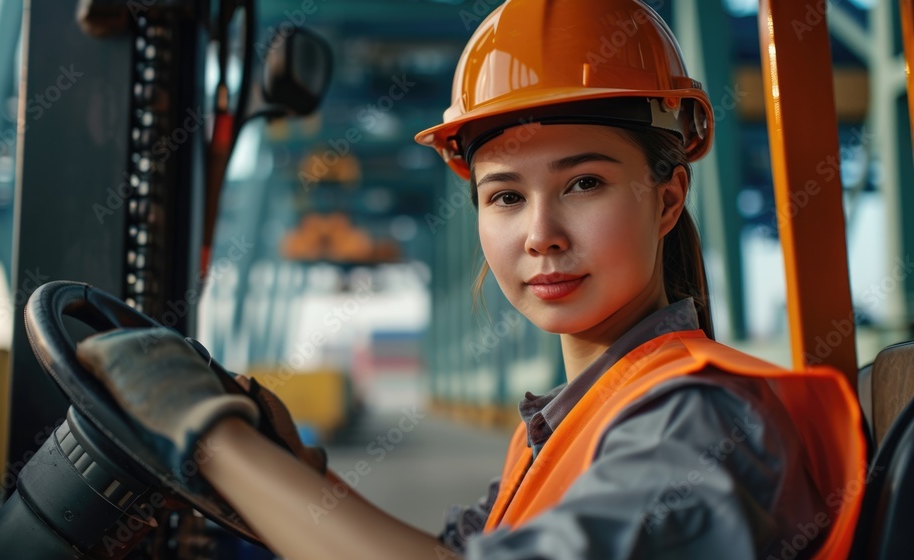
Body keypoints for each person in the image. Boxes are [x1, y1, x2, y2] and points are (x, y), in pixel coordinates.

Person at [76, 0, 866, 558]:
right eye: (505, 196)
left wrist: (212, 442)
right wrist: (288, 472)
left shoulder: (701, 426)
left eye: (584, 183)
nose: (542, 234)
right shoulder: (573, 428)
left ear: (666, 199)